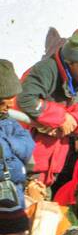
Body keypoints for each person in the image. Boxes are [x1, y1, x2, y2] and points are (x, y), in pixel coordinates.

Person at [18, 32, 78, 189]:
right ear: (73, 63)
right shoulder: (46, 71)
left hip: (54, 166)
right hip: (26, 163)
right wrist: (61, 118)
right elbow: (25, 99)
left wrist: (75, 121)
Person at [0, 64, 36, 208]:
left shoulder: (7, 120)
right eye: (6, 99)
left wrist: (8, 144)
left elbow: (28, 144)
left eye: (12, 98)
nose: (10, 104)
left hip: (14, 194)